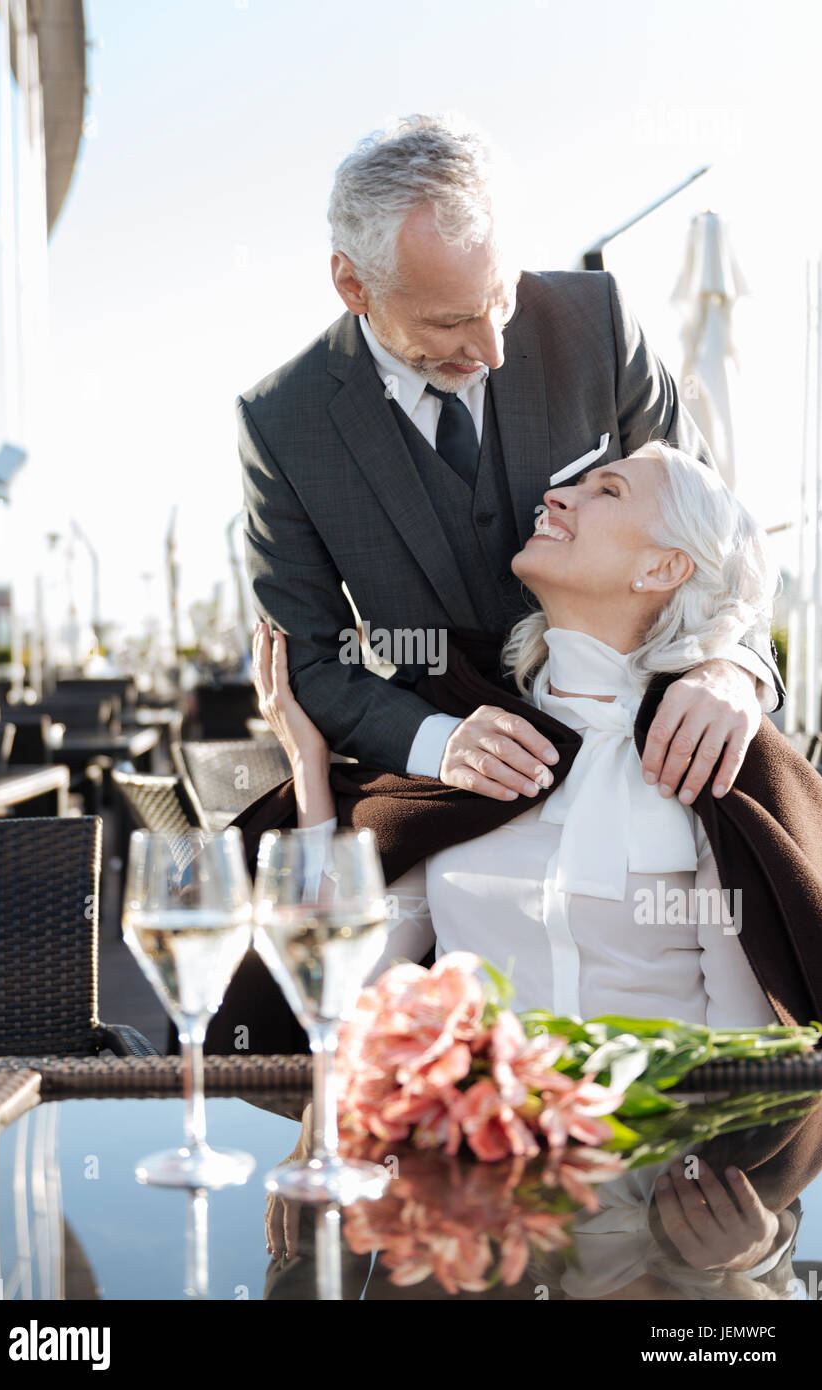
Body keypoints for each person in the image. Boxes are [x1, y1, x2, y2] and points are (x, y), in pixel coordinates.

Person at [237, 113, 783, 820]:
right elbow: (309, 661)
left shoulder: (599, 323)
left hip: (654, 753)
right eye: (449, 321)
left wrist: (732, 667)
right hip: (452, 790)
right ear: (353, 285)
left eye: (503, 300)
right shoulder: (283, 422)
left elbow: (722, 536)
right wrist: (439, 744)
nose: (492, 349)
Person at [249, 442, 783, 1025]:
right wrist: (307, 762)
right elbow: (337, 989)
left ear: (662, 568)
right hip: (475, 1113)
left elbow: (746, 1052)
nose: (553, 496)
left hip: (657, 1114)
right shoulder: (477, 746)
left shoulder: (708, 760)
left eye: (607, 490)